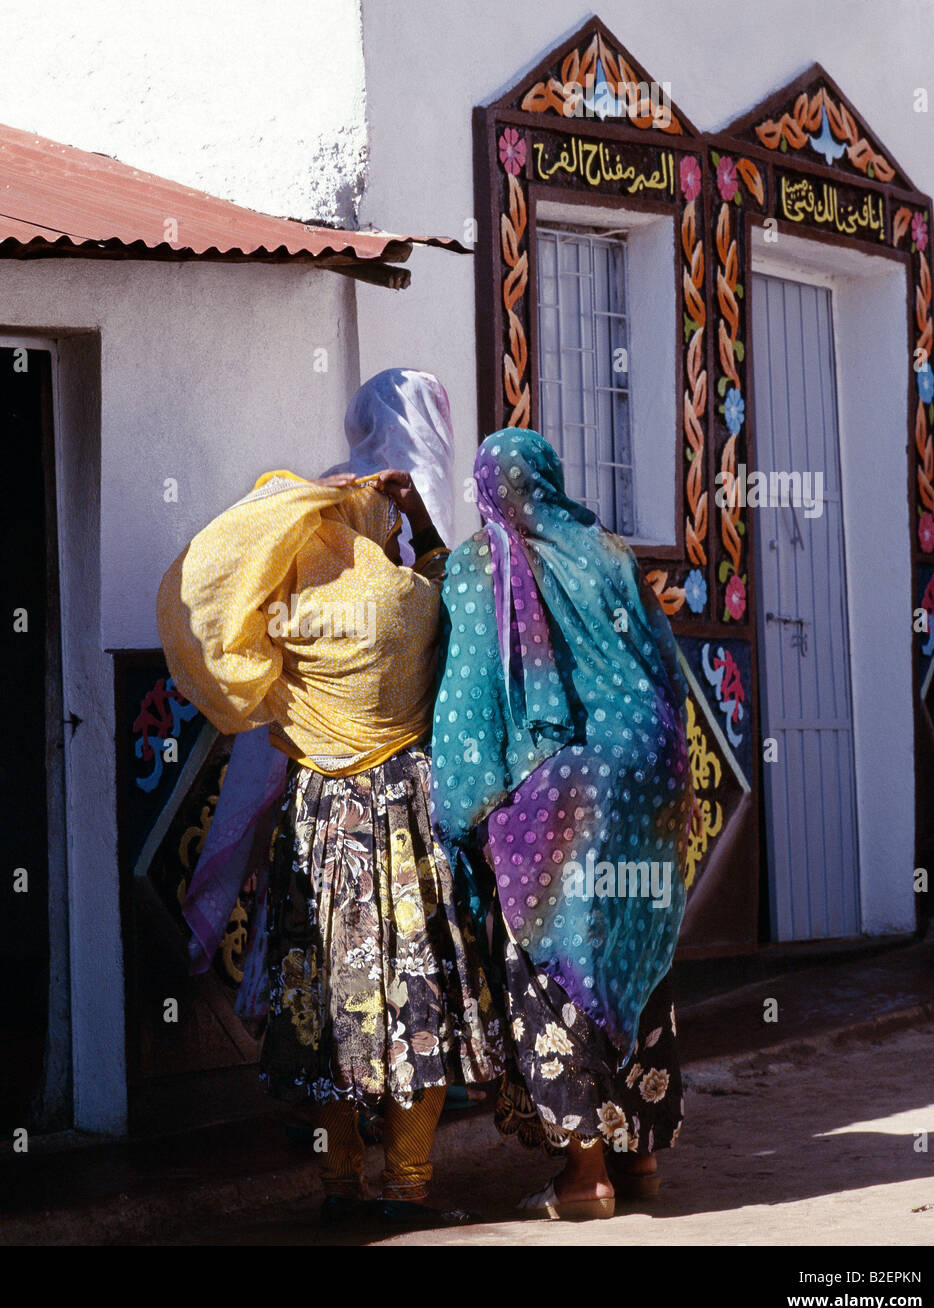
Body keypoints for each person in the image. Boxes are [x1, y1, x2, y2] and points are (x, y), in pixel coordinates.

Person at [157, 449, 503, 1226]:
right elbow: (456, 584)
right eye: (388, 525)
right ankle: (408, 1184)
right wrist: (418, 517)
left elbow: (222, 594)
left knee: (323, 1007)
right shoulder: (409, 601)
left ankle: (341, 1181)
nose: (395, 537)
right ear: (366, 519)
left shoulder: (285, 614)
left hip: (317, 821)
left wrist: (291, 511)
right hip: (402, 821)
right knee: (414, 1000)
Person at [431, 427, 694, 1220]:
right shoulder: (608, 550)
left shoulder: (481, 562)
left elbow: (470, 695)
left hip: (562, 784)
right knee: (633, 942)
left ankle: (586, 1176)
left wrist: (460, 806)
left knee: (558, 963)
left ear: (487, 490)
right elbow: (664, 664)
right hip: (649, 768)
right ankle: (639, 1156)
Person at [179, 370, 456, 993]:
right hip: (395, 778)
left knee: (318, 929)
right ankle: (404, 1043)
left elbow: (248, 578)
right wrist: (420, 524)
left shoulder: (317, 496)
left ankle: (304, 1029)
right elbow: (430, 612)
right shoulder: (397, 508)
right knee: (397, 943)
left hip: (308, 765)